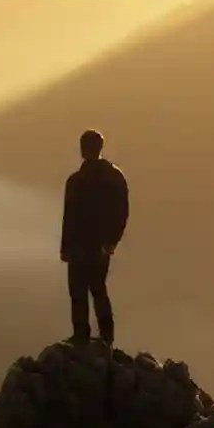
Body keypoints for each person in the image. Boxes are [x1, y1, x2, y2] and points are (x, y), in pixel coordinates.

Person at [60, 129, 129, 345]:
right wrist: (112, 240)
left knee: (84, 290)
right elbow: (121, 212)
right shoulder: (113, 177)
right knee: (92, 289)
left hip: (86, 244)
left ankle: (86, 335)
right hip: (95, 245)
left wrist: (66, 247)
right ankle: (101, 336)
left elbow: (69, 216)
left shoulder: (77, 181)